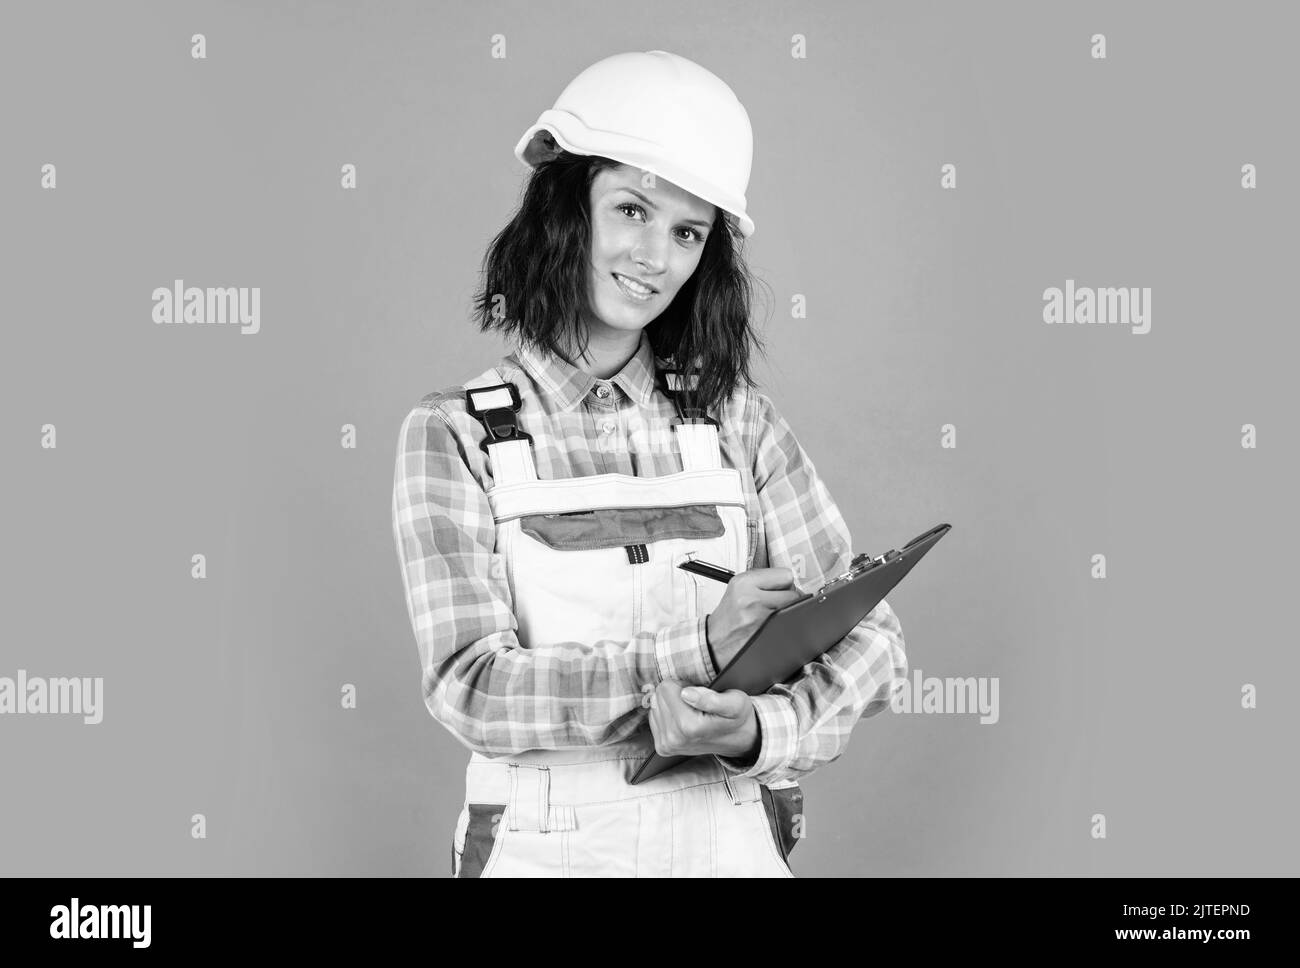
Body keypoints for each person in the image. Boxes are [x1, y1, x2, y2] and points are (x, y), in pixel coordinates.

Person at [391, 50, 907, 878]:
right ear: (566, 211)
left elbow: (874, 642)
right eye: (631, 208)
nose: (654, 257)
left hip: (729, 838)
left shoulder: (739, 422)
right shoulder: (457, 434)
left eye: (687, 232)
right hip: (544, 850)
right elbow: (472, 687)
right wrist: (696, 651)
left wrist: (758, 732)